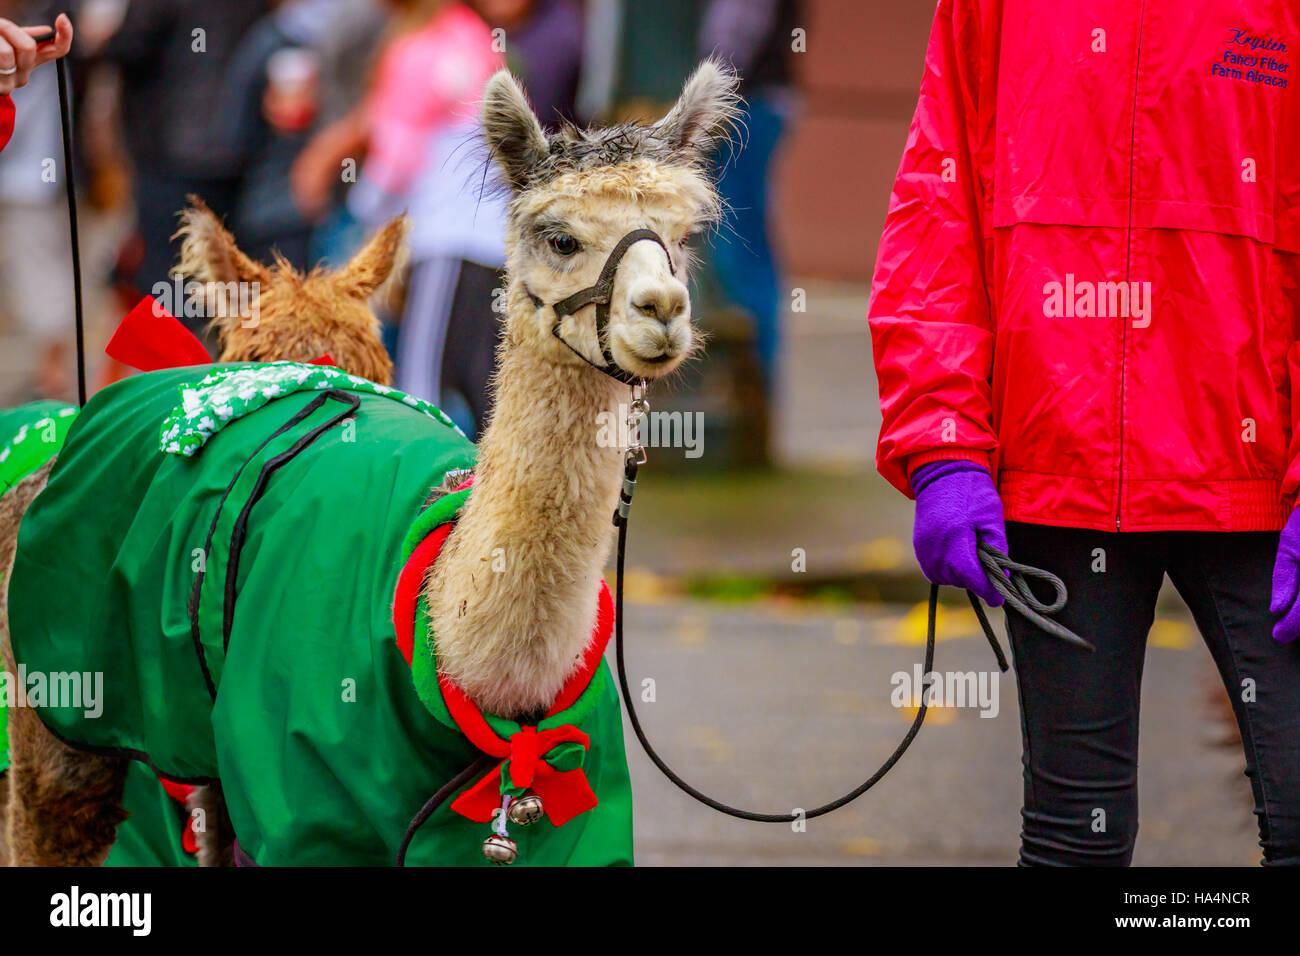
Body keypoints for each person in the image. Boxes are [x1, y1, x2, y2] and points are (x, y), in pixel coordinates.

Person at [870, 0, 1300, 866]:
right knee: (1075, 844)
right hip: (1058, 469)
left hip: (1259, 483)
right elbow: (938, 201)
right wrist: (944, 443)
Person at [348, 0, 506, 431]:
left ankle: (429, 489)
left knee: (424, 385)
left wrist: (361, 213)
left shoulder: (413, 51)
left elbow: (396, 161)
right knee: (485, 385)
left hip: (446, 241)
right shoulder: (475, 36)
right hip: (495, 240)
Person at [0, 9, 73, 400]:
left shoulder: (35, 36)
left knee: (40, 272)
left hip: (28, 179)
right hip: (27, 176)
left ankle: (53, 372)